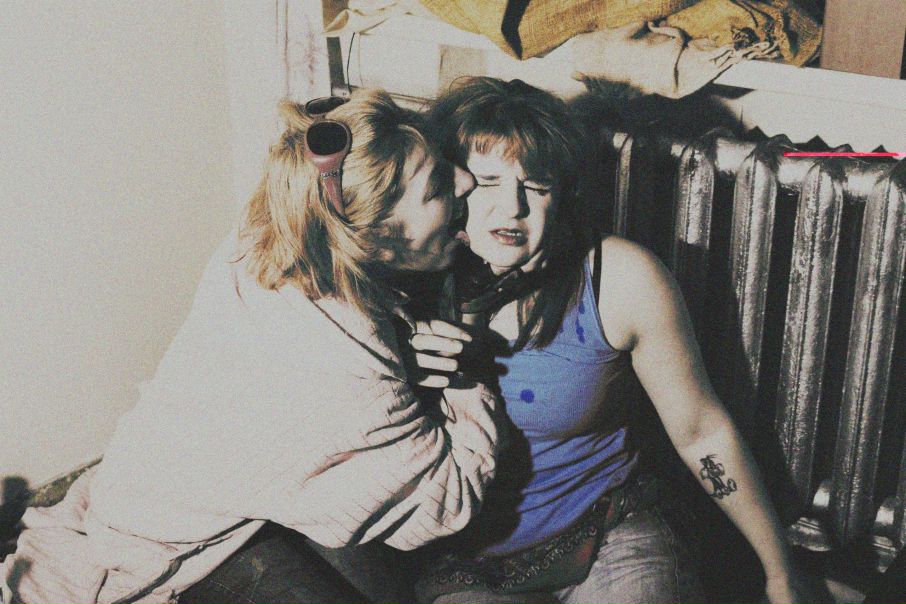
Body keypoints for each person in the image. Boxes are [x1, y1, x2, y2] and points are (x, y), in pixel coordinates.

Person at [0, 89, 502, 604]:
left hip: (137, 485)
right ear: (372, 241)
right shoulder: (349, 387)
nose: (465, 180)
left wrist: (399, 343)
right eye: (437, 186)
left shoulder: (260, 234)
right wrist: (469, 372)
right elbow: (447, 502)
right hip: (162, 554)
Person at [410, 76, 820, 604]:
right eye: (487, 181)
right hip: (467, 564)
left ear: (564, 194)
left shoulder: (619, 277)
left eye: (536, 185)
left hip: (606, 529)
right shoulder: (406, 279)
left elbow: (700, 431)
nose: (512, 208)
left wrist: (780, 571)